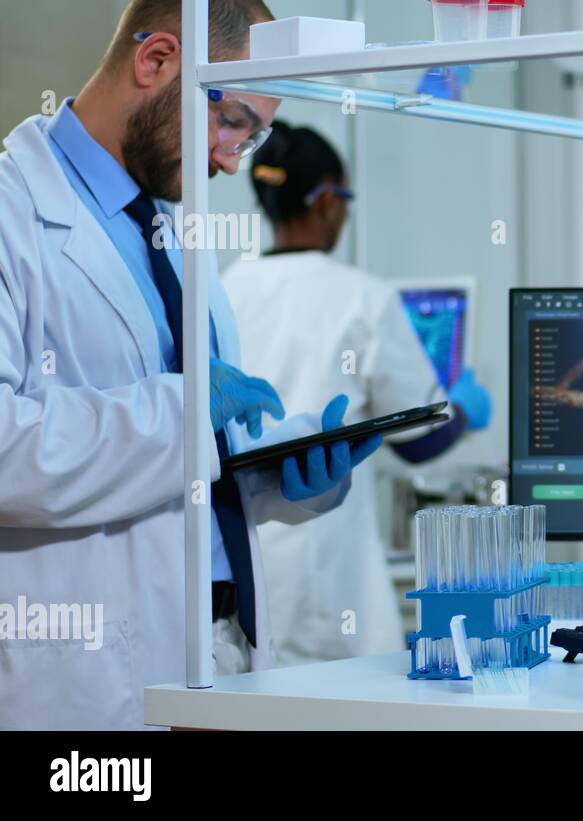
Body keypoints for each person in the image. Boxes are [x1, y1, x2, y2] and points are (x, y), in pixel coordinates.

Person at [0, 0, 380, 730]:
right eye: (232, 119)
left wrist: (279, 471)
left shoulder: (172, 230)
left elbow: (177, 464)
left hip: (218, 659)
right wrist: (182, 410)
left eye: (253, 132)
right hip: (79, 686)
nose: (233, 157)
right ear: (157, 61)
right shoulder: (16, 217)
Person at [222, 124, 491, 664]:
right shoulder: (362, 298)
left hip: (243, 566)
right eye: (343, 199)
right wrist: (463, 410)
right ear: (324, 202)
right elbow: (415, 442)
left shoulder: (224, 288)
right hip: (327, 571)